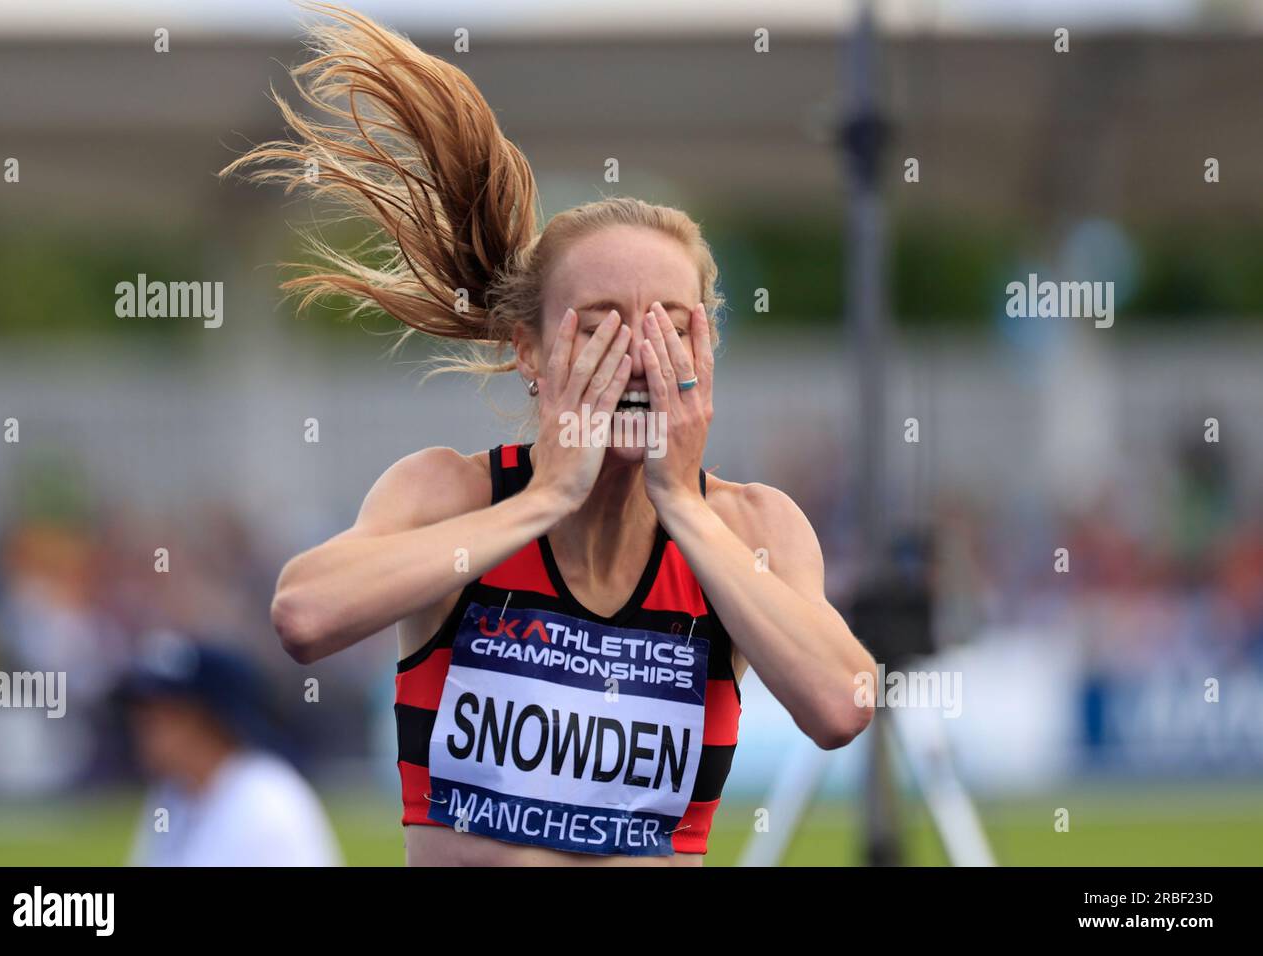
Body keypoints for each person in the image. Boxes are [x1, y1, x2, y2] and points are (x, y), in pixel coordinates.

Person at [224, 4, 876, 866]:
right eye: (602, 325)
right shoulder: (449, 493)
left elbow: (843, 705)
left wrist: (681, 502)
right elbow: (303, 614)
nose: (640, 355)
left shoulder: (754, 527)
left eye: (671, 325)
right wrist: (547, 497)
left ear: (706, 345)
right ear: (530, 348)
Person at [120, 632, 341, 867]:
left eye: (163, 715)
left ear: (211, 720)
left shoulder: (267, 804)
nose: (141, 728)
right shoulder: (173, 796)